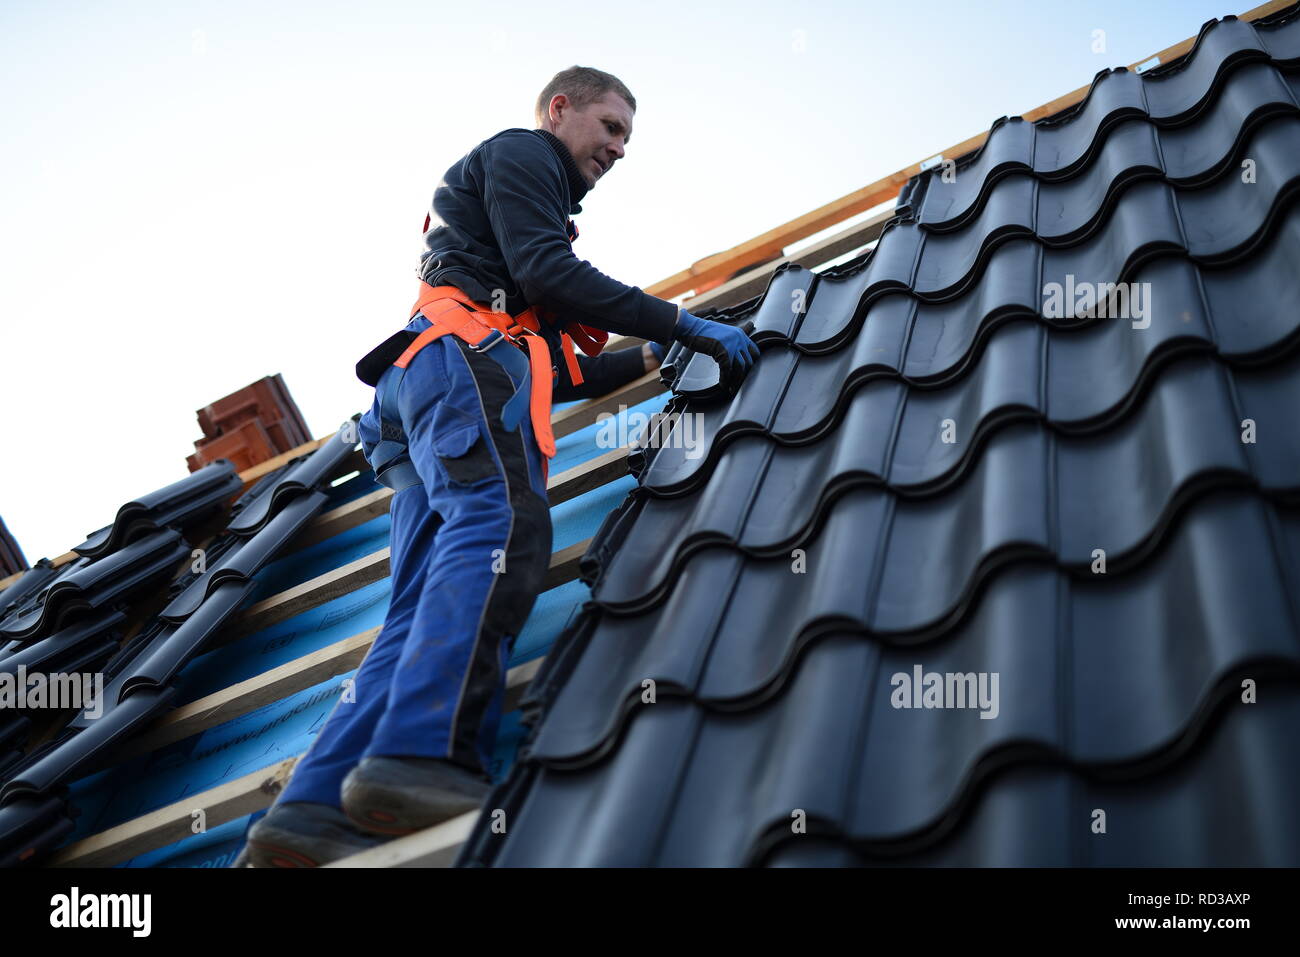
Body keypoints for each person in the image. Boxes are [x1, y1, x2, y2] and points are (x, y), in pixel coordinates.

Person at [243, 66, 757, 867]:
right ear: (560, 110)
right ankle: (422, 755)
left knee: (416, 600)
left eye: (627, 137)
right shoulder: (526, 155)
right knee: (498, 522)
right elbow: (553, 276)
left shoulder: (505, 225)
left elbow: (555, 364)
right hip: (457, 363)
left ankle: (308, 810)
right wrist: (685, 323)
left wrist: (650, 352)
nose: (619, 149)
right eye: (611, 127)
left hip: (413, 389)